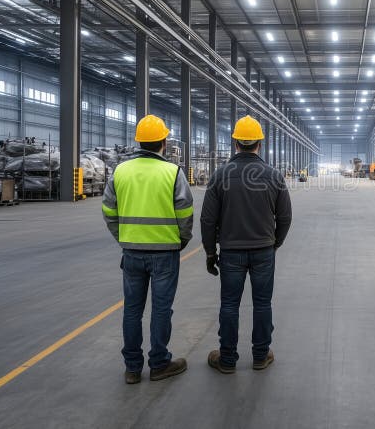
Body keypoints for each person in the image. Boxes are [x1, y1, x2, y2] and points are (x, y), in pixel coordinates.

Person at [102, 114, 194, 384]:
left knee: (132, 309)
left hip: (131, 252)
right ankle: (159, 363)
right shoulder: (173, 172)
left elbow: (108, 209)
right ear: (164, 142)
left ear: (138, 142)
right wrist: (182, 240)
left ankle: (132, 368)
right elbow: (185, 212)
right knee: (161, 309)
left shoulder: (121, 171)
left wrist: (123, 236)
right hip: (165, 252)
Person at [201, 115, 292, 374]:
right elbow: (285, 217)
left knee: (230, 304)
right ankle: (261, 356)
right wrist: (276, 243)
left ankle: (227, 359)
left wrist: (210, 252)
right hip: (264, 250)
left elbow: (208, 219)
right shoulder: (274, 175)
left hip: (230, 252)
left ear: (236, 144)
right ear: (259, 145)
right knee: (263, 303)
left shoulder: (220, 175)